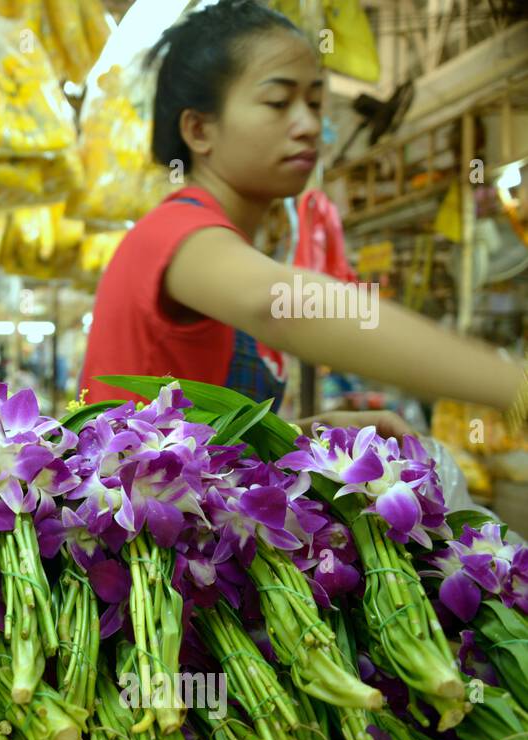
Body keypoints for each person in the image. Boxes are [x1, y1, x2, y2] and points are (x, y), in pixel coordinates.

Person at [77, 0, 523, 441]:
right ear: (198, 130)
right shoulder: (171, 232)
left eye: (314, 102)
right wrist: (513, 386)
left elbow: (198, 450)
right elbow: (280, 307)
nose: (309, 124)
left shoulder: (219, 246)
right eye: (278, 101)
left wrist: (299, 436)